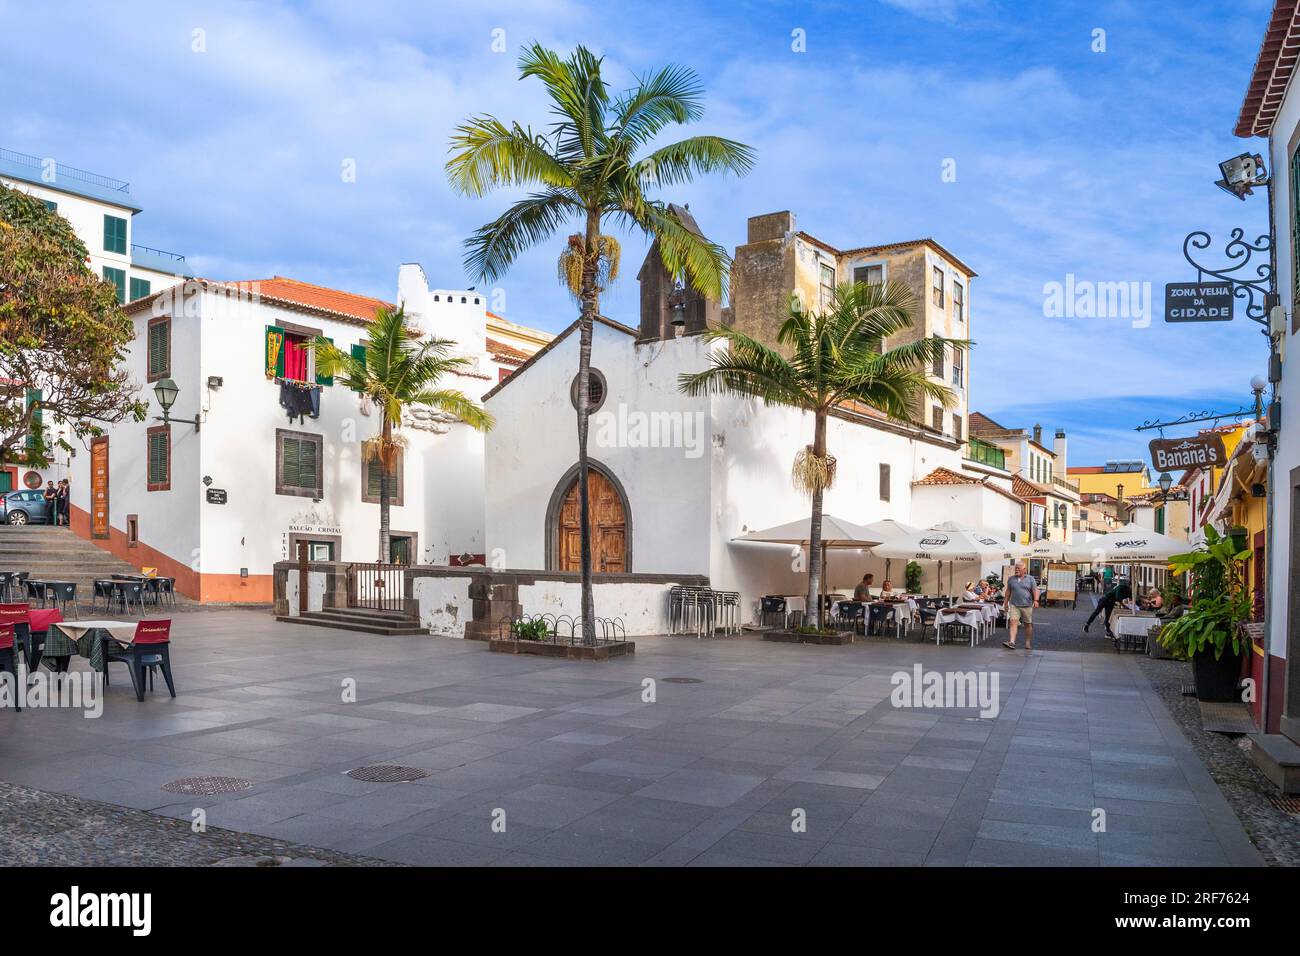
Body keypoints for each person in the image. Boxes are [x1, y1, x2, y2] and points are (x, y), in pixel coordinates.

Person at [1001, 563, 1038, 651]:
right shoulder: (1011, 579)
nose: (1016, 570)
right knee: (1013, 622)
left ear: (1024, 570)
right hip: (1014, 604)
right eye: (1016, 568)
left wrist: (1036, 600)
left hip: (1027, 605)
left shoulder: (1030, 579)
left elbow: (1035, 590)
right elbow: (1008, 591)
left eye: (1018, 568)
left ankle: (1028, 642)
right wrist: (1005, 602)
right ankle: (1012, 642)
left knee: (1027, 624)